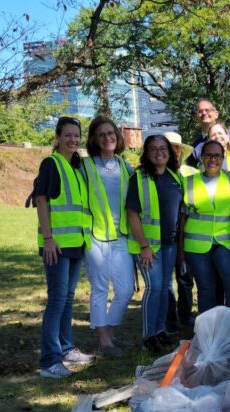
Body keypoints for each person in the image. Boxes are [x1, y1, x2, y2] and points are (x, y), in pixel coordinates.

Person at [32, 116, 94, 378]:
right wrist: (48, 239)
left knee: (67, 298)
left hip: (75, 243)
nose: (73, 139)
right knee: (57, 300)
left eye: (76, 135)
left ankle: (66, 349)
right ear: (57, 138)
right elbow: (41, 200)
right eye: (67, 135)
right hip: (56, 245)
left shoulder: (75, 167)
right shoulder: (52, 164)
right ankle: (49, 361)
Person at [124, 134, 185, 354]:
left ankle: (160, 330)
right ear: (147, 153)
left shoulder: (175, 177)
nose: (159, 152)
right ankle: (148, 335)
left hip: (169, 244)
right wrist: (144, 246)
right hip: (148, 246)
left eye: (163, 148)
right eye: (153, 149)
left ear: (169, 152)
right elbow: (132, 214)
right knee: (154, 287)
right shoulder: (138, 178)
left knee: (165, 287)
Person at [80, 116, 133, 356]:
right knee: (100, 288)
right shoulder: (85, 166)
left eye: (110, 133)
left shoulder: (124, 166)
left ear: (117, 136)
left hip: (121, 236)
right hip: (95, 236)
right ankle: (104, 341)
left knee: (125, 290)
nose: (107, 138)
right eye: (101, 134)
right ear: (94, 139)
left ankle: (110, 334)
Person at [179, 139, 230, 313]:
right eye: (209, 155)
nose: (213, 159)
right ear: (202, 158)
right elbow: (181, 218)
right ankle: (208, 325)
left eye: (217, 156)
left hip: (226, 241)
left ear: (223, 158)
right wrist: (180, 249)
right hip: (196, 245)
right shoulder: (188, 182)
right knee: (206, 288)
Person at [164, 129, 196, 335]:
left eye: (176, 148)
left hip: (189, 231)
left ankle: (185, 313)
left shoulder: (192, 173)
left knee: (185, 276)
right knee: (166, 279)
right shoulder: (156, 173)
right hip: (165, 232)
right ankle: (169, 317)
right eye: (168, 148)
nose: (173, 152)